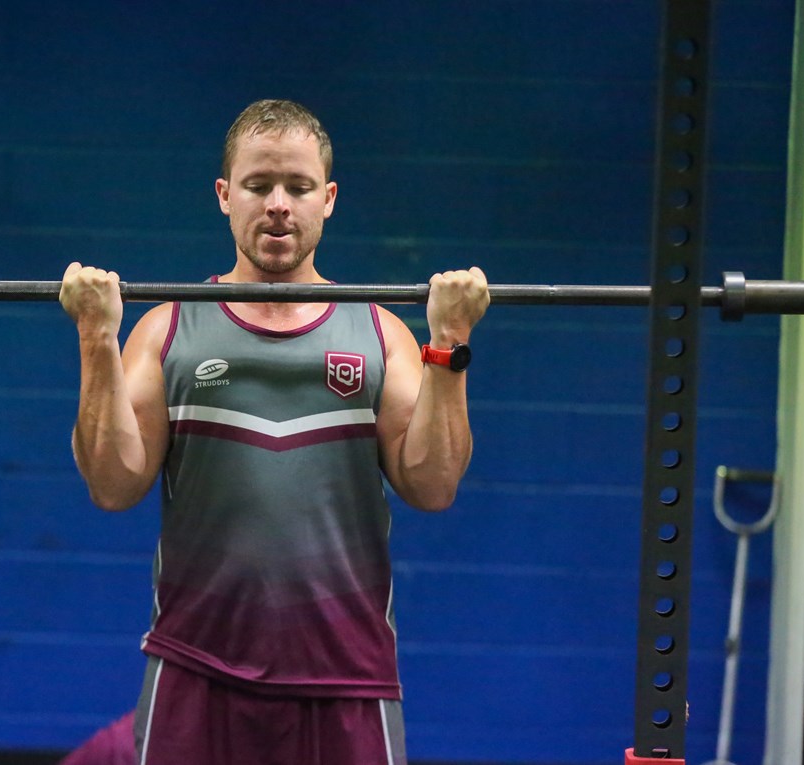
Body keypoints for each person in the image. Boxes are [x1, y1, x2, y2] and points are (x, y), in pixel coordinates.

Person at [59, 99, 489, 765]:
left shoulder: (381, 335)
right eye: (259, 186)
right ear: (225, 196)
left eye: (299, 186)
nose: (279, 204)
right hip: (196, 668)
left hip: (346, 676)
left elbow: (433, 486)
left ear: (330, 198)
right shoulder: (169, 331)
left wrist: (449, 340)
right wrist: (96, 339)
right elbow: (113, 486)